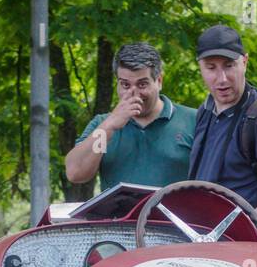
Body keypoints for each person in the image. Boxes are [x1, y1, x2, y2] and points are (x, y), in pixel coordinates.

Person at [187, 25, 257, 232]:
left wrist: (230, 233)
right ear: (200, 68)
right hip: (202, 244)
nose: (221, 79)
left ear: (245, 62)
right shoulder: (205, 111)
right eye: (211, 68)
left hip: (244, 251)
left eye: (229, 65)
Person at [66, 42, 197, 191]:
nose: (133, 93)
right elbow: (75, 174)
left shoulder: (193, 120)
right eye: (125, 85)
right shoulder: (103, 126)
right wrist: (109, 126)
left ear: (159, 81)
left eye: (142, 84)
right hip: (119, 215)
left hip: (173, 214)